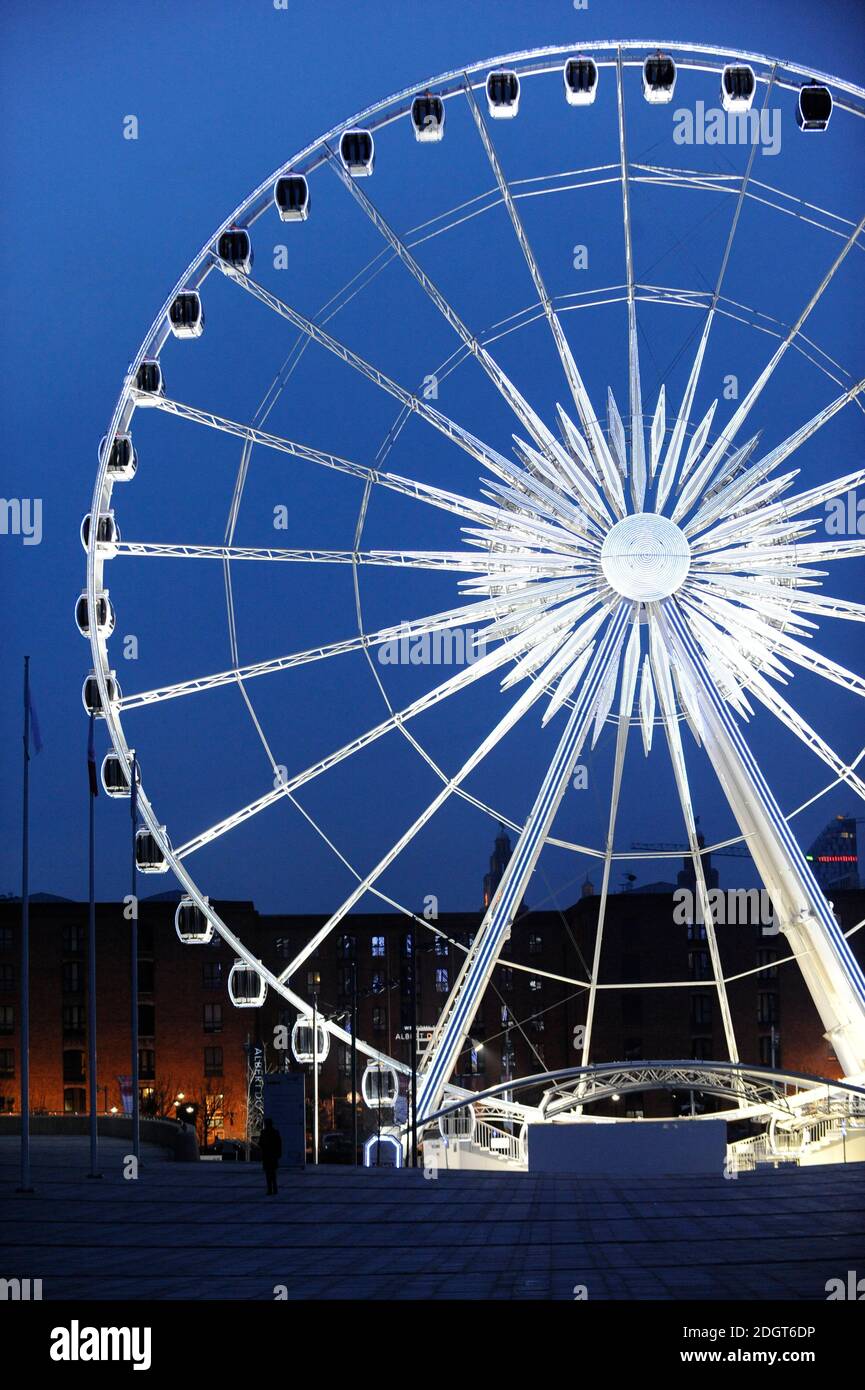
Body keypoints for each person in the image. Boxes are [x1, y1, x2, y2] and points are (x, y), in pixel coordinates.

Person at [259, 1116, 282, 1195]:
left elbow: (260, 1143)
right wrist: (278, 1153)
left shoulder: (264, 1133)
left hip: (267, 1155)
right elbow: (279, 1144)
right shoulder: (275, 1132)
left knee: (268, 1174)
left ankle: (270, 1189)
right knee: (272, 1173)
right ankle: (274, 1188)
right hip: (272, 1155)